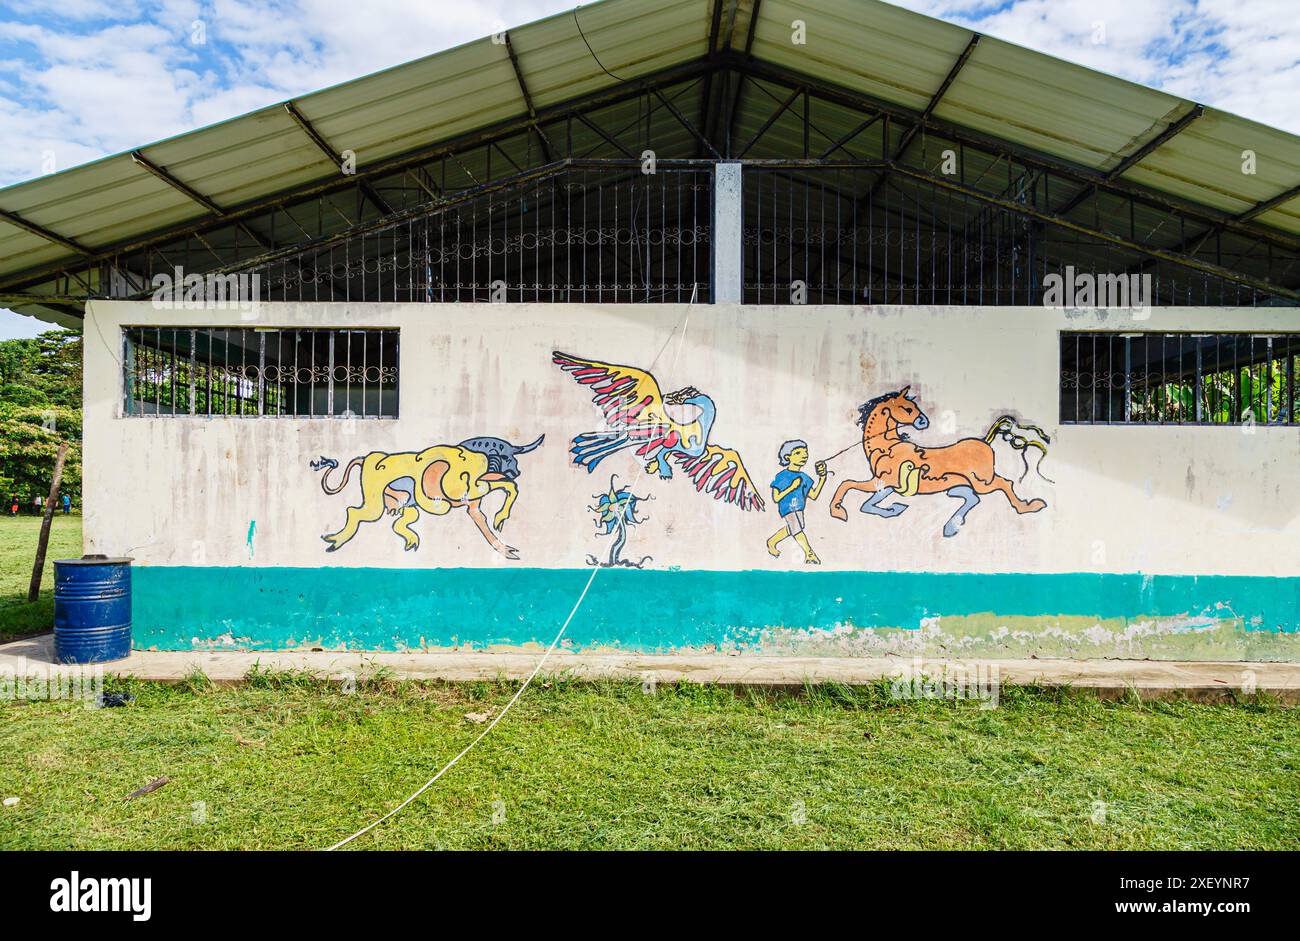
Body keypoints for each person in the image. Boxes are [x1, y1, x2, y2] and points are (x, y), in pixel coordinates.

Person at [766, 439, 828, 564]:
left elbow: (814, 495)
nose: (804, 455)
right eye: (798, 453)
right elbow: (776, 498)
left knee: (795, 528)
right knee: (797, 529)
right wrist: (791, 487)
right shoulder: (781, 476)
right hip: (788, 508)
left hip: (799, 507)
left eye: (805, 452)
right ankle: (809, 554)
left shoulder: (805, 478)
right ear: (788, 457)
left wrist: (822, 478)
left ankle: (772, 541)